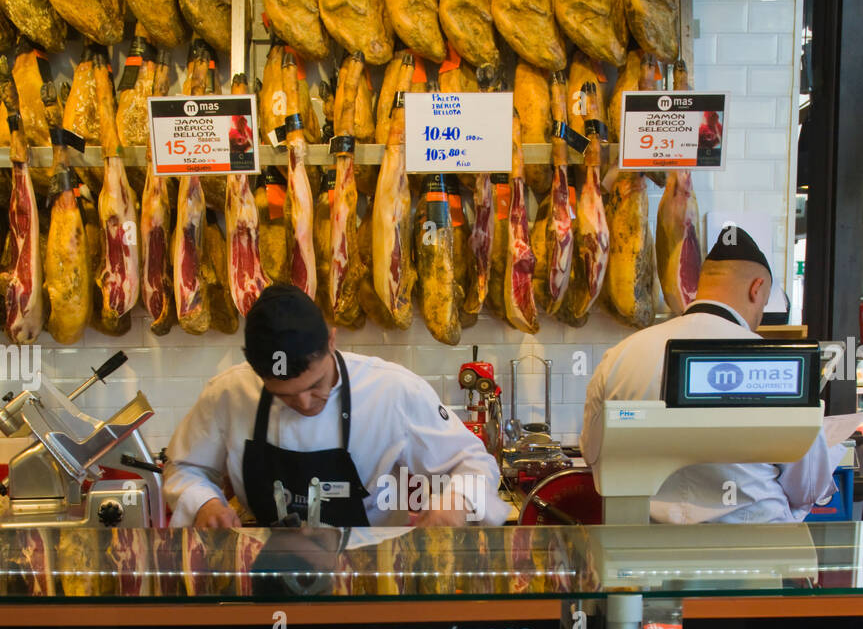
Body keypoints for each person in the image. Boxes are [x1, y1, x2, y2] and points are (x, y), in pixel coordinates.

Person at [164, 284, 510, 529]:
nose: (303, 404)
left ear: (332, 341)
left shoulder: (391, 389)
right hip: (265, 571)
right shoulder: (229, 392)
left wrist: (455, 502)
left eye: (315, 385)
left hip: (372, 573)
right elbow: (183, 468)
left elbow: (475, 463)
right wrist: (203, 503)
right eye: (284, 396)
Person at [580, 225, 845, 524]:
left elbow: (593, 454)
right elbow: (809, 486)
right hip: (757, 557)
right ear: (756, 289)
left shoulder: (621, 355)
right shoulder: (779, 365)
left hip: (646, 557)